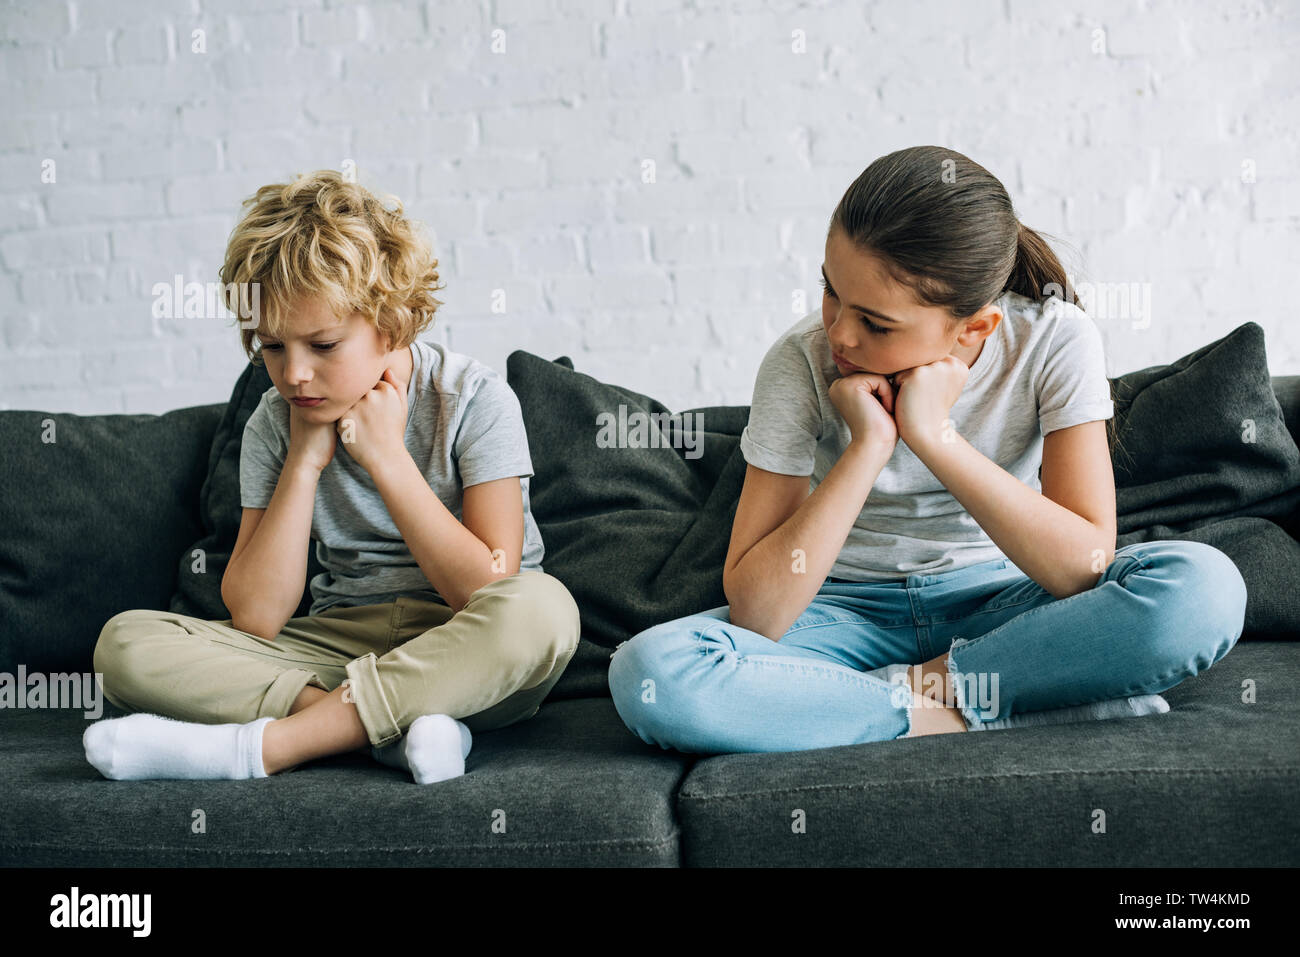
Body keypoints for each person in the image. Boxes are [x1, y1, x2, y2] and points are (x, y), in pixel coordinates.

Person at [608, 145, 1247, 753]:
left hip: (1007, 611)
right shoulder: (798, 362)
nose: (838, 334)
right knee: (655, 672)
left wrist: (935, 436)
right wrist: (870, 446)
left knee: (1203, 587)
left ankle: (882, 707)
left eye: (876, 323)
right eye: (831, 291)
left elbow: (1080, 567)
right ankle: (1018, 706)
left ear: (975, 327)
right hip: (841, 620)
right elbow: (759, 613)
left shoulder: (1054, 341)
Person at [84, 170, 580, 783]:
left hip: (463, 644)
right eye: (272, 347)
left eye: (322, 346)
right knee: (124, 643)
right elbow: (258, 618)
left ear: (394, 323)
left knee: (543, 610)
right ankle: (387, 733)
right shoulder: (276, 422)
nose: (293, 375)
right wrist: (304, 461)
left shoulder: (475, 399)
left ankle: (265, 747)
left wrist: (387, 459)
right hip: (335, 645)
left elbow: (485, 589)